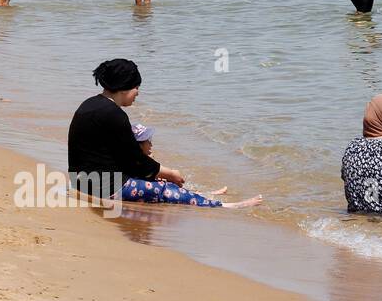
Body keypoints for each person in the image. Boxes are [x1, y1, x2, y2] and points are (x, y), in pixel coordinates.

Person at [67, 59, 260, 208]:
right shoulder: (114, 114)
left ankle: (204, 194)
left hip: (83, 182)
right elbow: (135, 161)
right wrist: (171, 173)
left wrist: (159, 173)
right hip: (104, 188)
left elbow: (123, 159)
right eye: (136, 87)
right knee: (164, 189)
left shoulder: (89, 104)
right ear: (123, 87)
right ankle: (223, 206)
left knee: (155, 179)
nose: (138, 93)